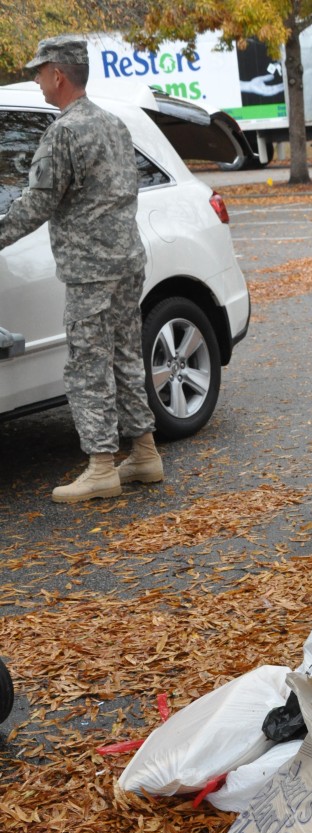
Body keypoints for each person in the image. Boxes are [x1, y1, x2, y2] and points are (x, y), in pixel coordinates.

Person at [0, 35, 163, 502]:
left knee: (88, 366)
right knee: (126, 356)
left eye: (39, 72)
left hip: (90, 271)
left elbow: (37, 203)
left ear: (58, 75)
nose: (36, 80)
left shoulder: (64, 132)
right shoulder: (114, 124)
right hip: (126, 260)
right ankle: (145, 454)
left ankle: (101, 468)